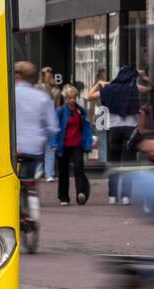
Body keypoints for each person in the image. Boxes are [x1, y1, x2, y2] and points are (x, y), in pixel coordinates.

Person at [88, 65, 149, 204]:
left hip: (114, 130)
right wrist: (144, 77)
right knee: (129, 163)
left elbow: (89, 96)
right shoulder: (134, 88)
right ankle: (126, 196)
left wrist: (98, 83)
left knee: (113, 163)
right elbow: (151, 88)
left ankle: (112, 196)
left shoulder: (109, 89)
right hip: (130, 130)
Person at [14, 61, 56, 205]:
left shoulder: (8, 94)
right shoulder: (41, 97)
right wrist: (42, 138)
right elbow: (53, 127)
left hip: (12, 148)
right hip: (33, 149)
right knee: (28, 178)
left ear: (18, 75)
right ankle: (30, 207)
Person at [50, 83, 95, 206]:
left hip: (77, 144)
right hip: (63, 145)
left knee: (79, 169)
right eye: (70, 98)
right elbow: (55, 128)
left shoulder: (81, 111)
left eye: (74, 97)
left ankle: (81, 193)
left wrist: (88, 142)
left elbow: (86, 128)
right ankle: (63, 197)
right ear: (65, 98)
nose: (72, 100)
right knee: (63, 171)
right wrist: (53, 143)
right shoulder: (61, 111)